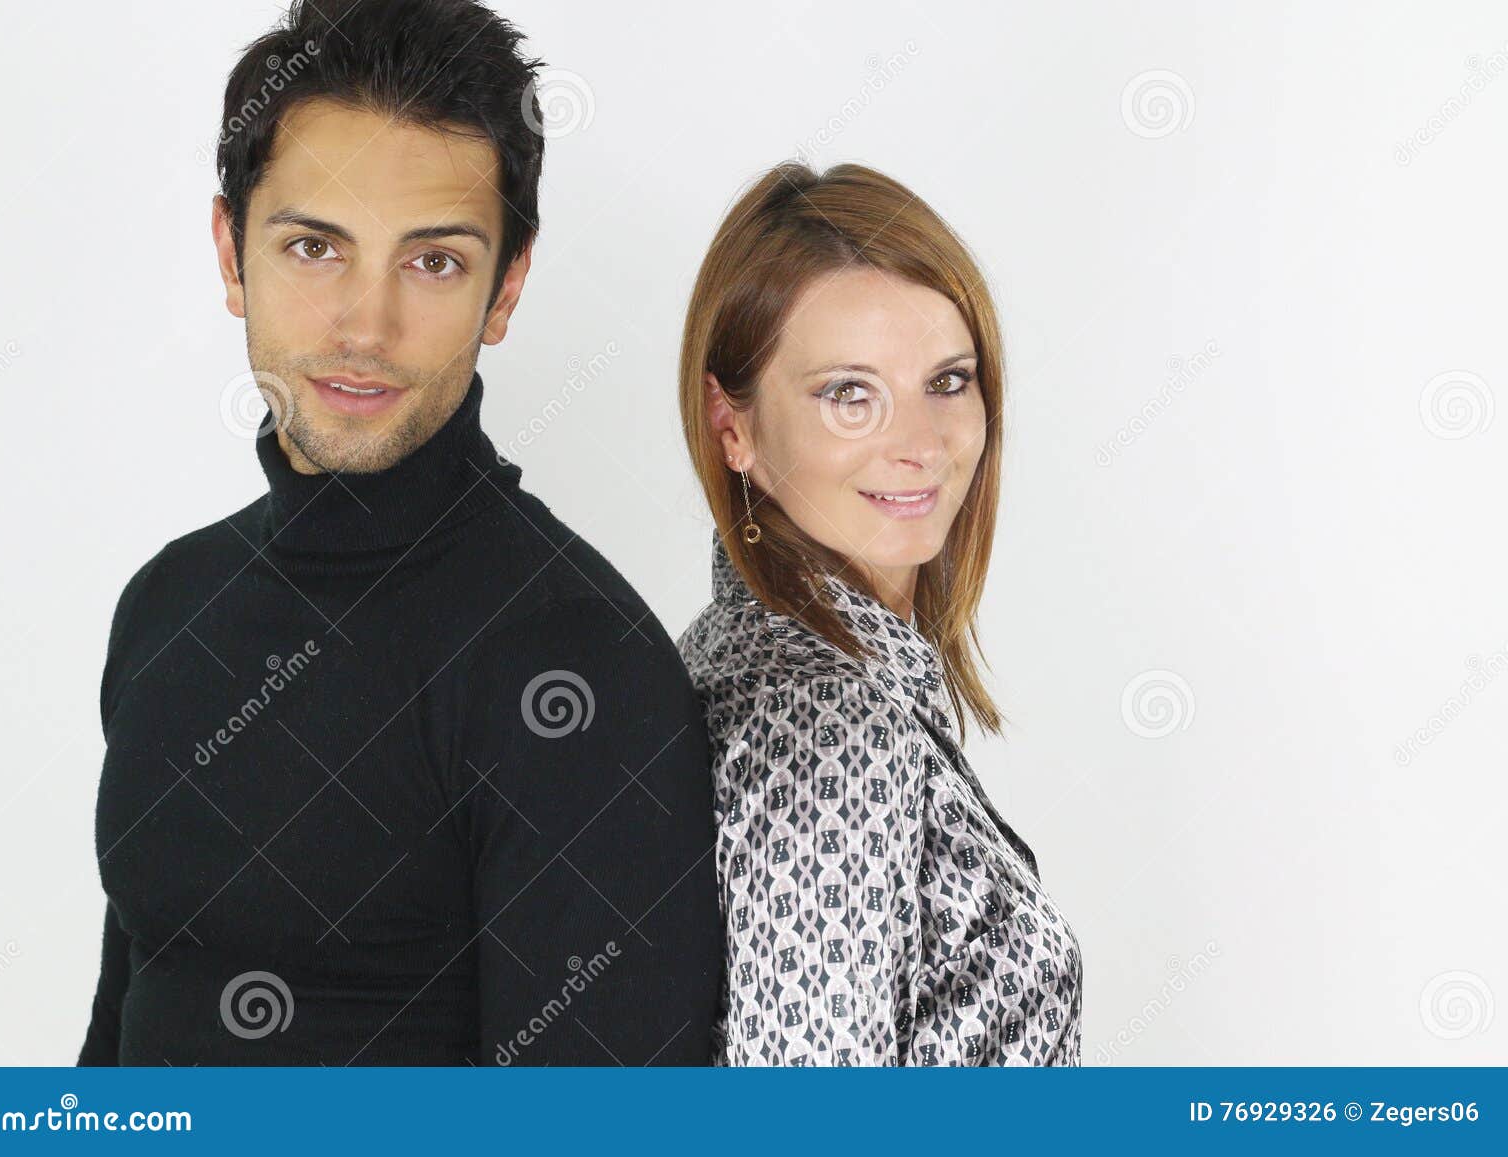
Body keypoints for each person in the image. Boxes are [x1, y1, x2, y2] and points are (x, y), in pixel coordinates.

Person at [78, 0, 722, 1065]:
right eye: (314, 246)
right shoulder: (169, 605)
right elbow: (119, 1038)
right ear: (232, 256)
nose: (365, 327)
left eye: (432, 262)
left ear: (505, 287)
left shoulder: (573, 665)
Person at [674, 160, 1083, 1065]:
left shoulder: (772, 658)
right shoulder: (825, 719)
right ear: (730, 424)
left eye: (947, 381)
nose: (921, 445)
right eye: (849, 394)